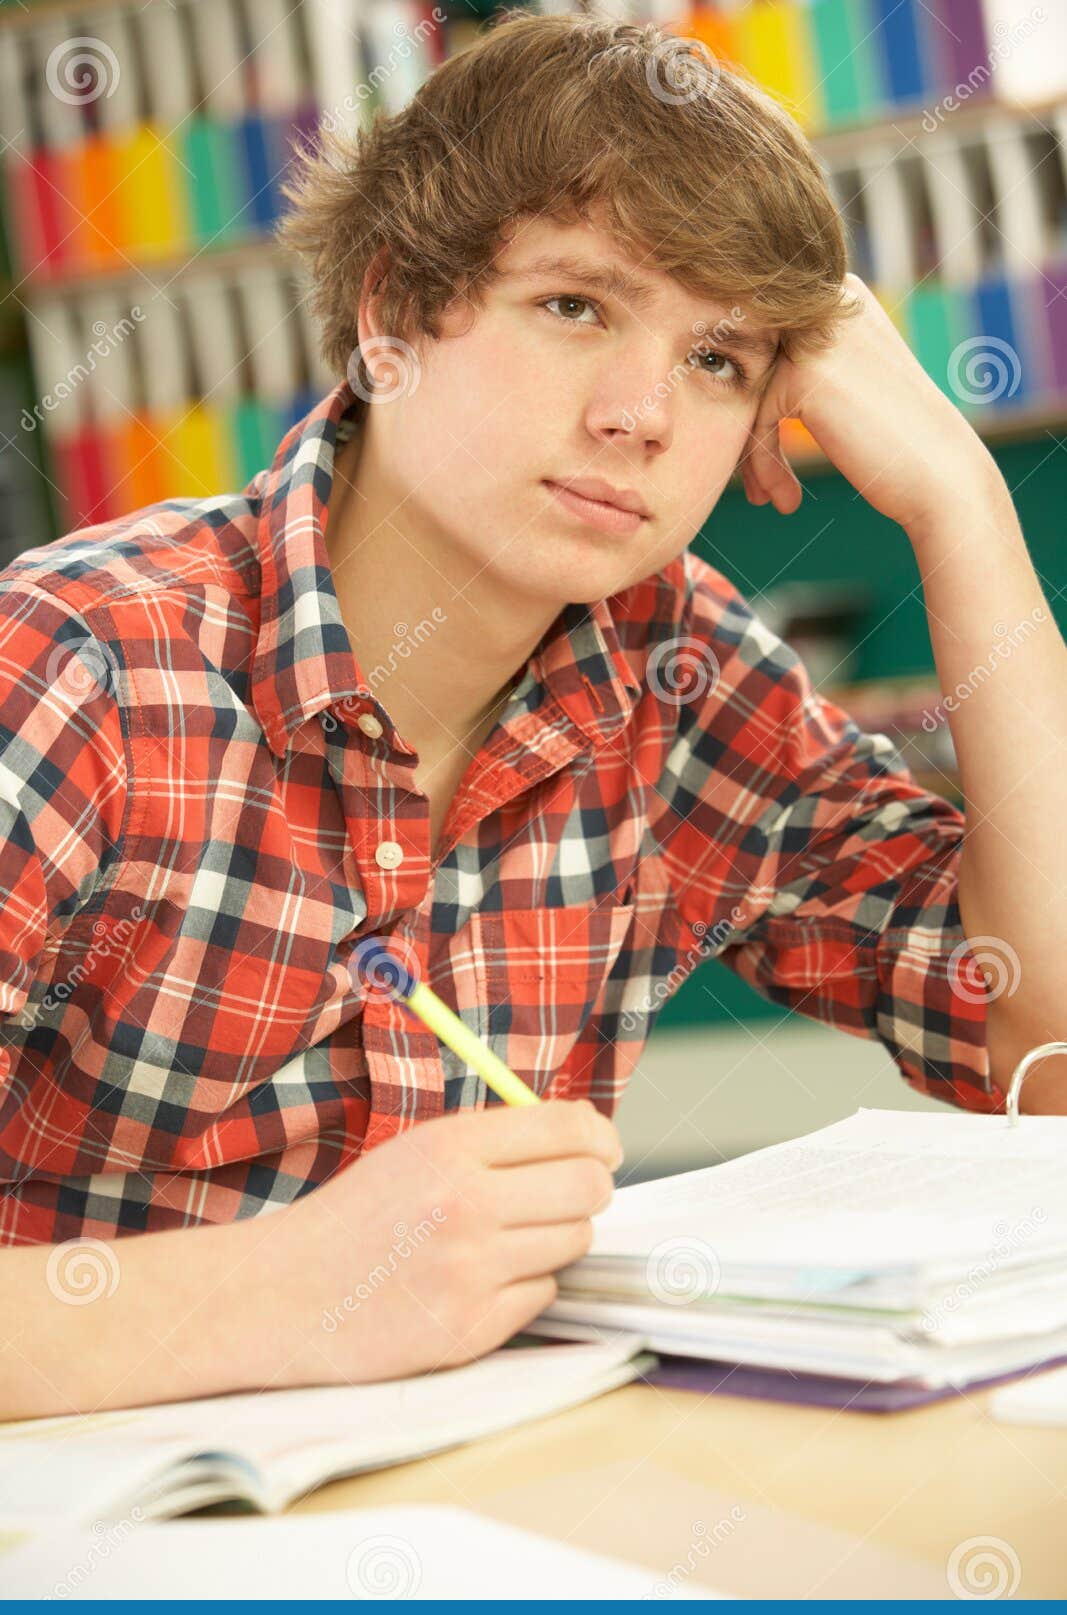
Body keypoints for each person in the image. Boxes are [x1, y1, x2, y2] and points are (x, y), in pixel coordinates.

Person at [2, 12, 1064, 1421]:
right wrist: (287, 1288)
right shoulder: (78, 664)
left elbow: (1040, 1050)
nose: (641, 413)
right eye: (577, 306)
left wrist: (961, 502)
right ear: (392, 315)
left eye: (722, 360)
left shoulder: (674, 676)